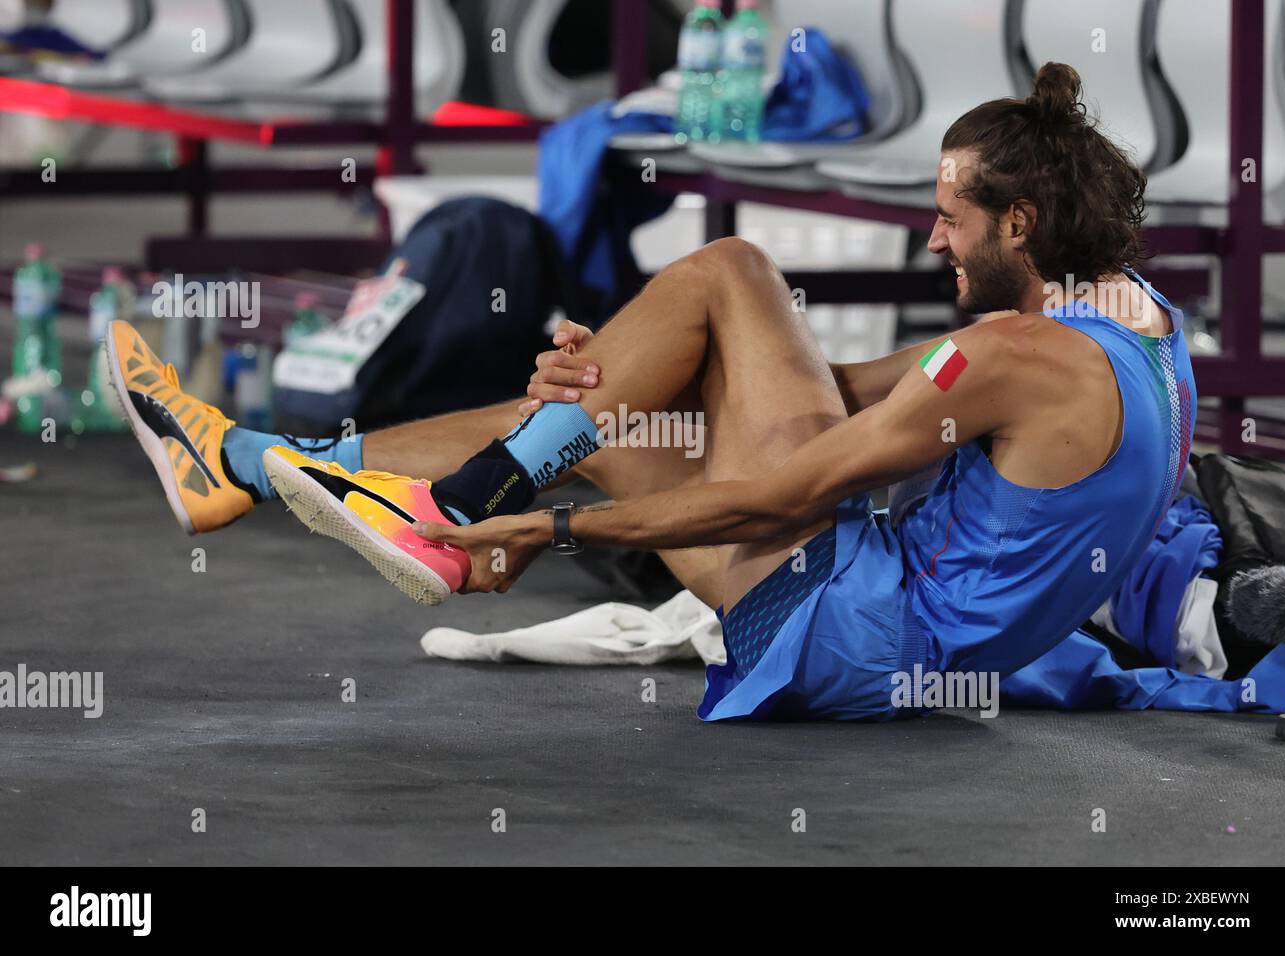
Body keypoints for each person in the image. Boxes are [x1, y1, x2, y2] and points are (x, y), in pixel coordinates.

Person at [106, 63, 1195, 721]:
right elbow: (856, 388)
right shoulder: (1138, 322)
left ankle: (460, 500)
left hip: (846, 625)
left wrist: (554, 523)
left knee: (732, 270)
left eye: (950, 218)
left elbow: (779, 495)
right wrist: (620, 376)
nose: (930, 237)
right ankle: (239, 465)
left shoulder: (1016, 352)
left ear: (1019, 226)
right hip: (871, 629)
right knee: (599, 421)